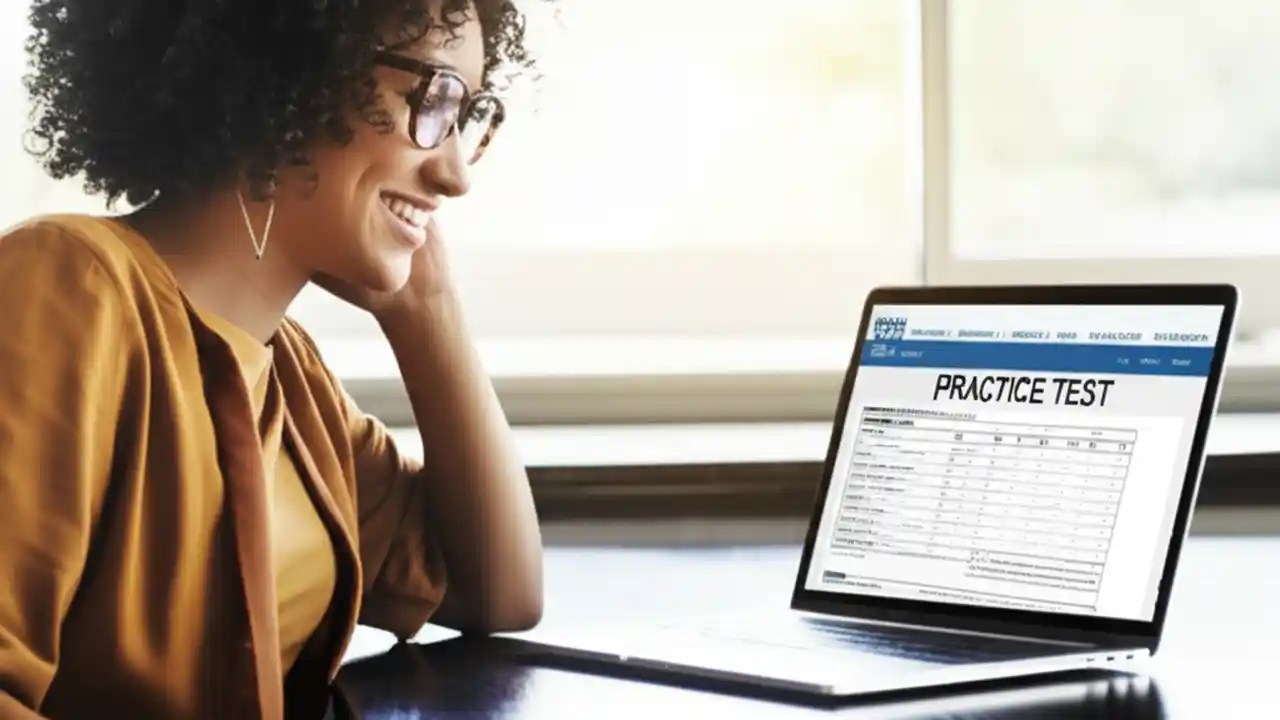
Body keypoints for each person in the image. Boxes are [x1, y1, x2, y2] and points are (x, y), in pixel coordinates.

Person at [0, 1, 542, 717]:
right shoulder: (69, 286)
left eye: (470, 112)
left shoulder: (290, 377)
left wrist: (429, 313)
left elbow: (492, 592)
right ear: (298, 79)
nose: (454, 174)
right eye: (434, 98)